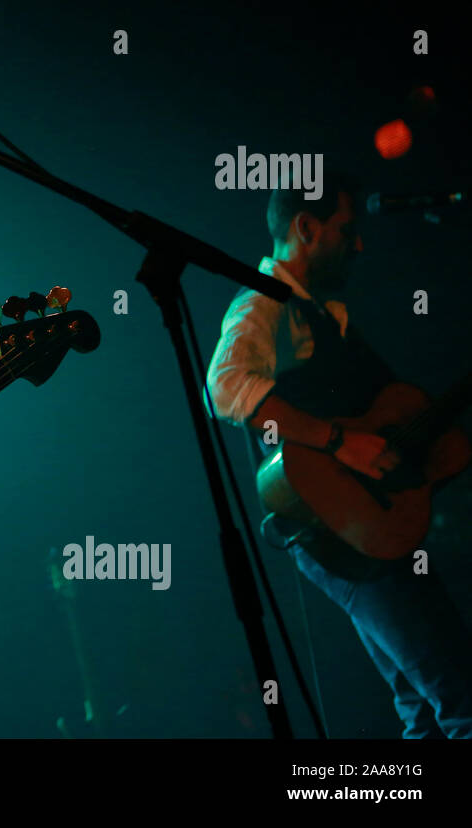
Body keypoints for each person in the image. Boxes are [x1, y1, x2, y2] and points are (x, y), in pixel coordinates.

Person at [206, 175, 472, 737]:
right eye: (346, 230)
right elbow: (226, 386)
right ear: (306, 227)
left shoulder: (323, 315)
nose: (358, 246)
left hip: (367, 525)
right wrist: (337, 441)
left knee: (422, 706)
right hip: (340, 530)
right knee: (459, 694)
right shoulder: (261, 303)